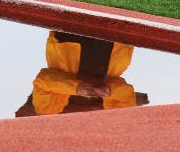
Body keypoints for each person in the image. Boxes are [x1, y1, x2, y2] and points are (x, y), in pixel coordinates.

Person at [15, 31, 149, 117]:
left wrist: (77, 88)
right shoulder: (114, 119)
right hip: (115, 44)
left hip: (69, 39)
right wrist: (109, 91)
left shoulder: (47, 112)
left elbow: (43, 82)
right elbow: (125, 93)